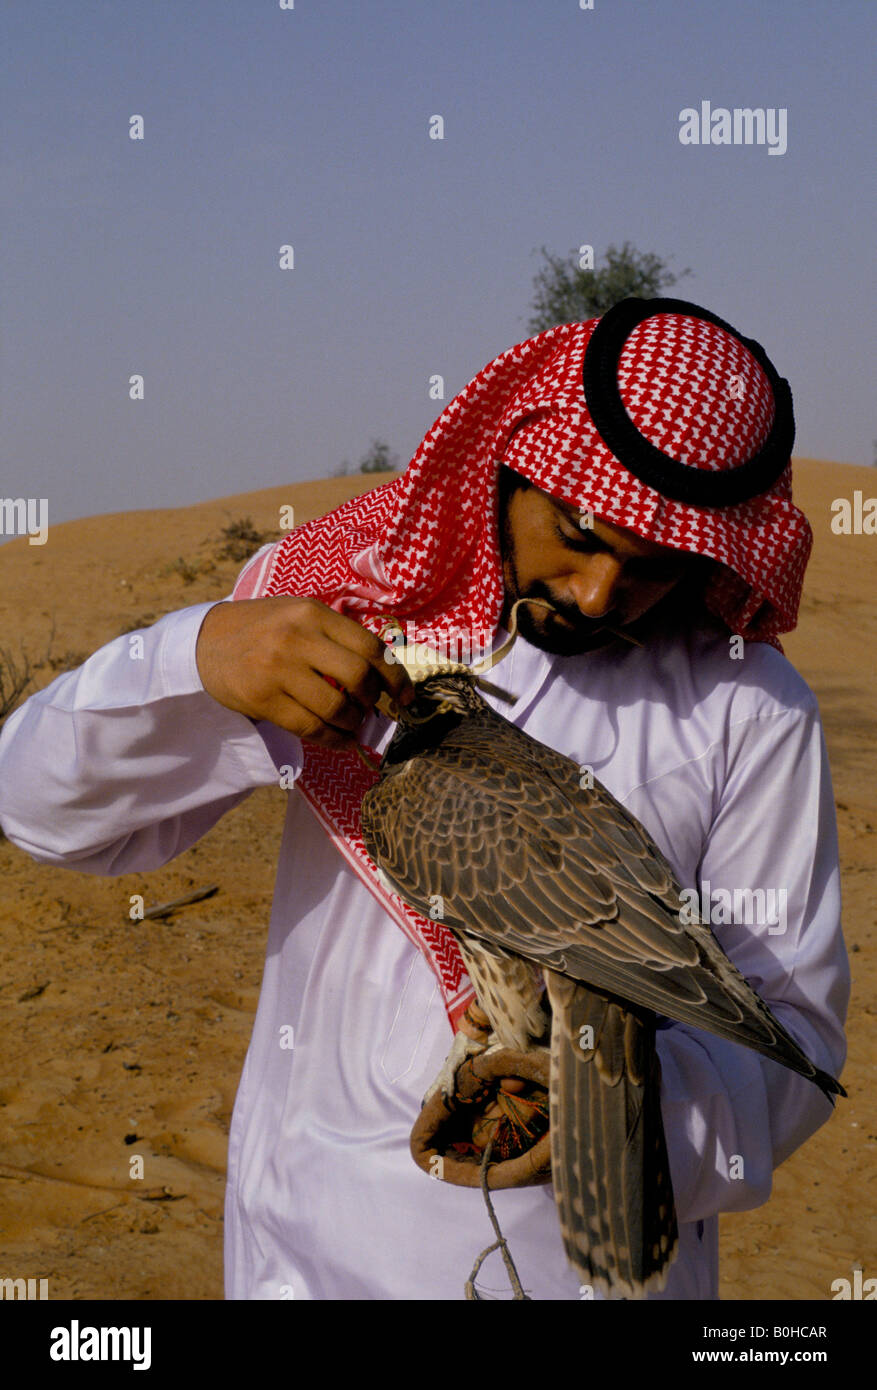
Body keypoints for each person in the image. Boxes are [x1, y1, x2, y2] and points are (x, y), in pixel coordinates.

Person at [0, 298, 849, 1300]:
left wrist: (615, 1111)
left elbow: (792, 1032)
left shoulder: (746, 703)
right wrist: (196, 656)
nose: (593, 593)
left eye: (652, 567)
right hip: (304, 1259)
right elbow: (39, 807)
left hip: (569, 1268)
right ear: (508, 455)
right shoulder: (330, 612)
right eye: (575, 533)